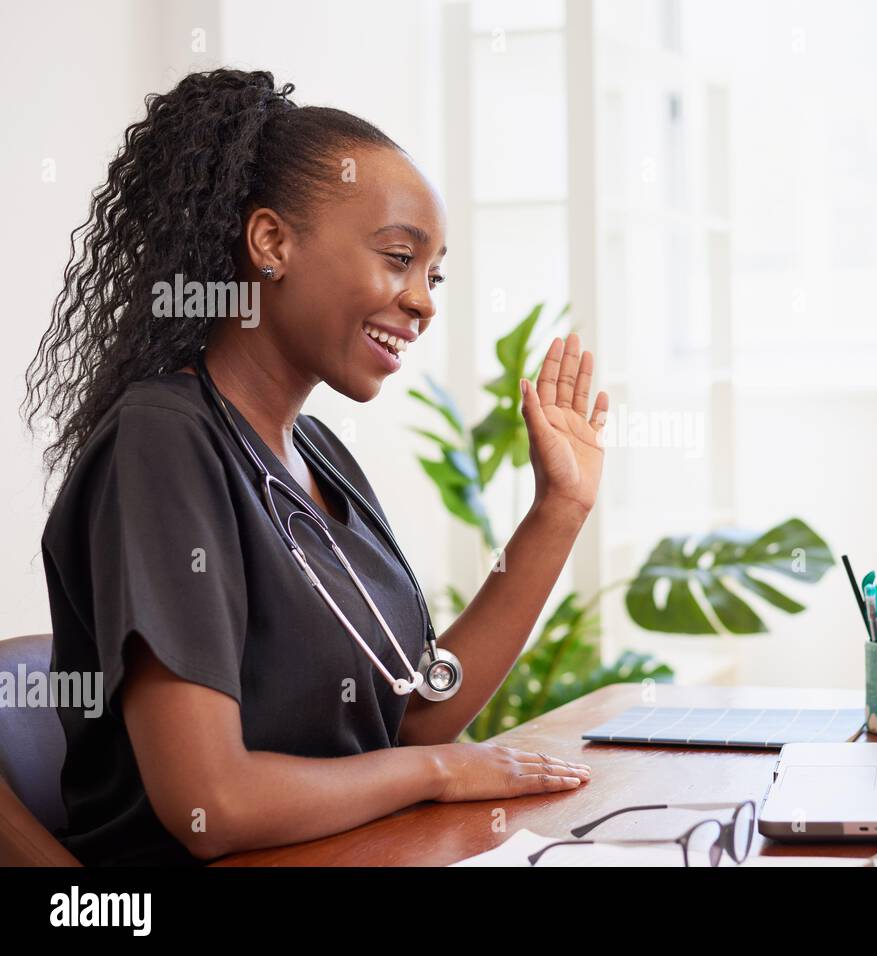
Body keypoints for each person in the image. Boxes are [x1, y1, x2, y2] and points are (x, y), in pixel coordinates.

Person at [22, 68, 609, 866]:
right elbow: (210, 802)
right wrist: (438, 772)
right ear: (272, 243)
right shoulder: (163, 439)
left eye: (432, 275)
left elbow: (415, 714)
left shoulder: (319, 453)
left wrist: (559, 509)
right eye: (399, 257)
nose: (423, 301)